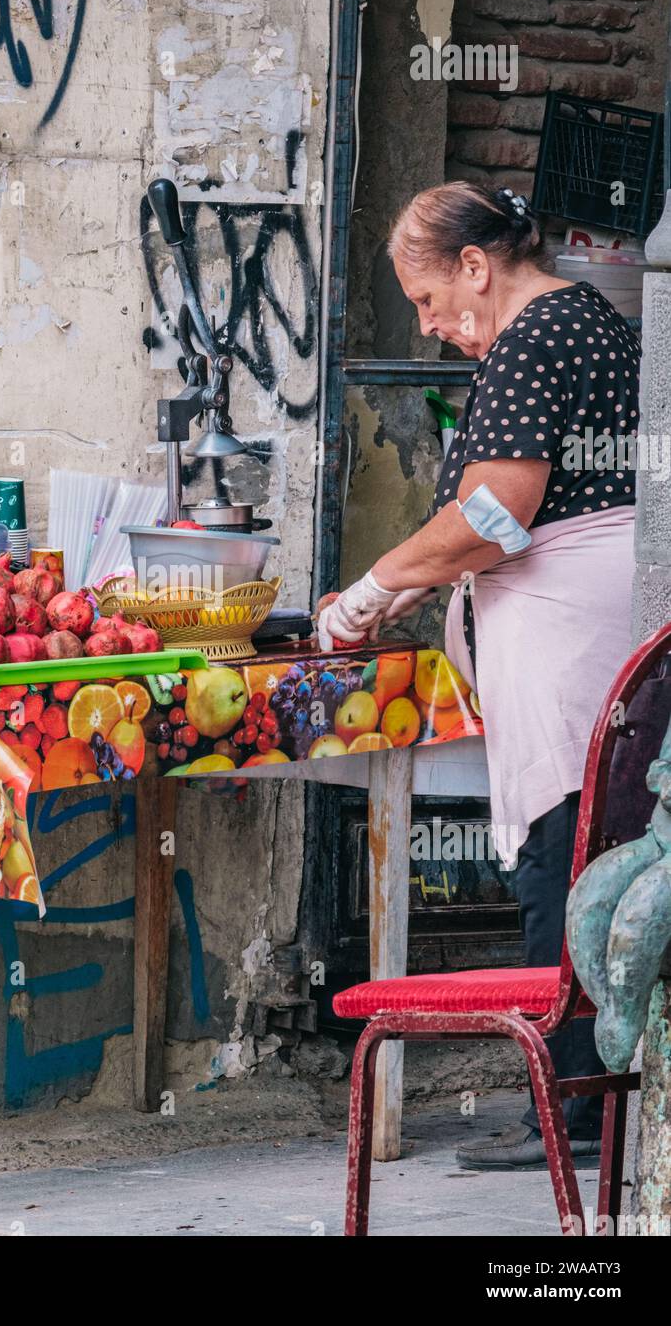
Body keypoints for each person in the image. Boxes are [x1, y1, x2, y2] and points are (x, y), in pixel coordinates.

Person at [319, 181, 640, 1169]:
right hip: (607, 633)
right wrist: (431, 580)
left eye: (425, 298)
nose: (426, 323)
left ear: (475, 265)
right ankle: (601, 1099)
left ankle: (574, 1113)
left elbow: (497, 518)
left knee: (564, 860)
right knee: (604, 852)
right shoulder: (591, 318)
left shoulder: (532, 336)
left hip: (567, 646)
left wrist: (369, 590)